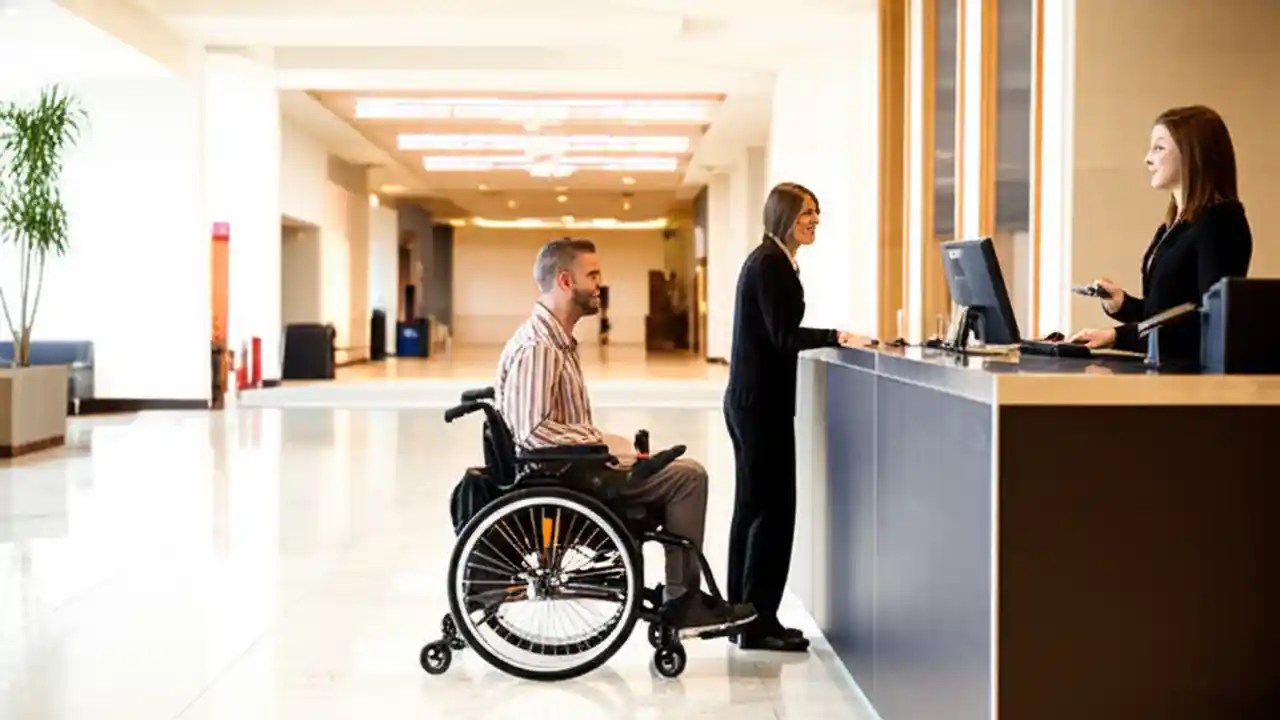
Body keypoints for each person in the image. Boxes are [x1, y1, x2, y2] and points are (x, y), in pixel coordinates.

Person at [495, 237, 757, 635]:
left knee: (676, 467)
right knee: (688, 478)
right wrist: (602, 444)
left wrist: (605, 445)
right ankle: (683, 603)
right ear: (565, 281)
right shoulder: (540, 348)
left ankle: (683, 597)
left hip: (575, 468)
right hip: (569, 478)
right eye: (593, 275)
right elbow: (533, 433)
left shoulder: (553, 340)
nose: (600, 283)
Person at [723, 182, 872, 652]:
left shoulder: (771, 262)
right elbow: (783, 337)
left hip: (751, 402)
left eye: (817, 213)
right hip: (760, 406)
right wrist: (838, 335)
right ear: (783, 215)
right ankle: (759, 621)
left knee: (752, 509)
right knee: (772, 511)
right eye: (807, 213)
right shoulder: (770, 265)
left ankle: (743, 615)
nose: (814, 222)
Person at [1070, 105, 1252, 359]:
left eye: (1159, 147)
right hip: (1165, 371)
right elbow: (1167, 313)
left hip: (1191, 384)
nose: (1148, 158)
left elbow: (1207, 321)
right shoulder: (1173, 226)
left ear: (1192, 154)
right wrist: (1124, 305)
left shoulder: (1220, 222)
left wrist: (1117, 336)